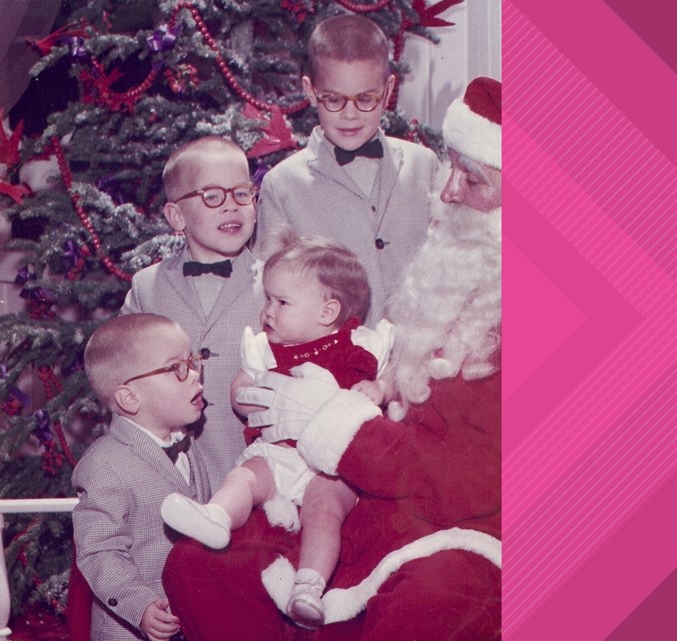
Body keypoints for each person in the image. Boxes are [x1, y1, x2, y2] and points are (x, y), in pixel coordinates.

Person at [162, 76, 503, 641]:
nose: (447, 193)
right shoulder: (454, 276)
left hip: (466, 522)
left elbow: (477, 480)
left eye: (473, 179)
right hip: (377, 494)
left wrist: (336, 423)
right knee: (198, 567)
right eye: (451, 168)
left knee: (429, 604)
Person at [159, 233, 391, 628]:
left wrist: (379, 388)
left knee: (324, 510)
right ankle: (216, 517)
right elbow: (240, 391)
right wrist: (245, 396)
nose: (267, 311)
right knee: (245, 478)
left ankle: (309, 585)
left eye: (282, 302)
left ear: (328, 311)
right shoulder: (264, 349)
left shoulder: (362, 345)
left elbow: (394, 382)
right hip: (277, 453)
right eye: (267, 299)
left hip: (331, 466)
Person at [256, 13, 441, 326]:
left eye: (366, 99)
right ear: (310, 91)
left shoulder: (424, 165)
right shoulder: (282, 185)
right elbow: (272, 295)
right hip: (334, 355)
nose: (350, 115)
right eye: (334, 99)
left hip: (418, 346)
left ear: (388, 90)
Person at [122, 136, 264, 494]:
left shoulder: (276, 284)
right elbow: (124, 379)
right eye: (212, 196)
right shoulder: (146, 287)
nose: (231, 207)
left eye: (242, 194)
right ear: (177, 216)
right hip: (170, 485)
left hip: (257, 479)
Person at [73, 313, 213, 641]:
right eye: (176, 368)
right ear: (130, 398)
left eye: (192, 361)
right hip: (132, 630)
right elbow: (99, 551)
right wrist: (140, 605)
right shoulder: (103, 464)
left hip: (191, 619)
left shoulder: (189, 446)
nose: (194, 374)